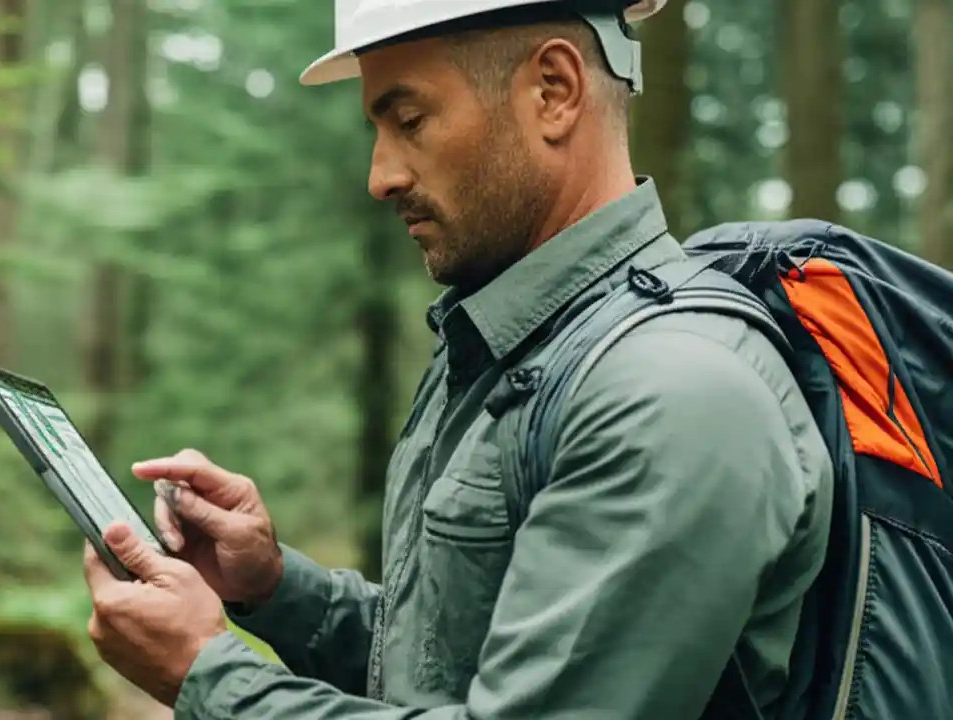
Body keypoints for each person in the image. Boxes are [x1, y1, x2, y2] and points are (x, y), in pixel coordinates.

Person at [80, 1, 836, 717]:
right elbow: (461, 667)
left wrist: (207, 673)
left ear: (554, 90)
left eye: (410, 120)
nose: (382, 177)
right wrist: (277, 588)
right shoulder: (517, 346)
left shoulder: (672, 395)